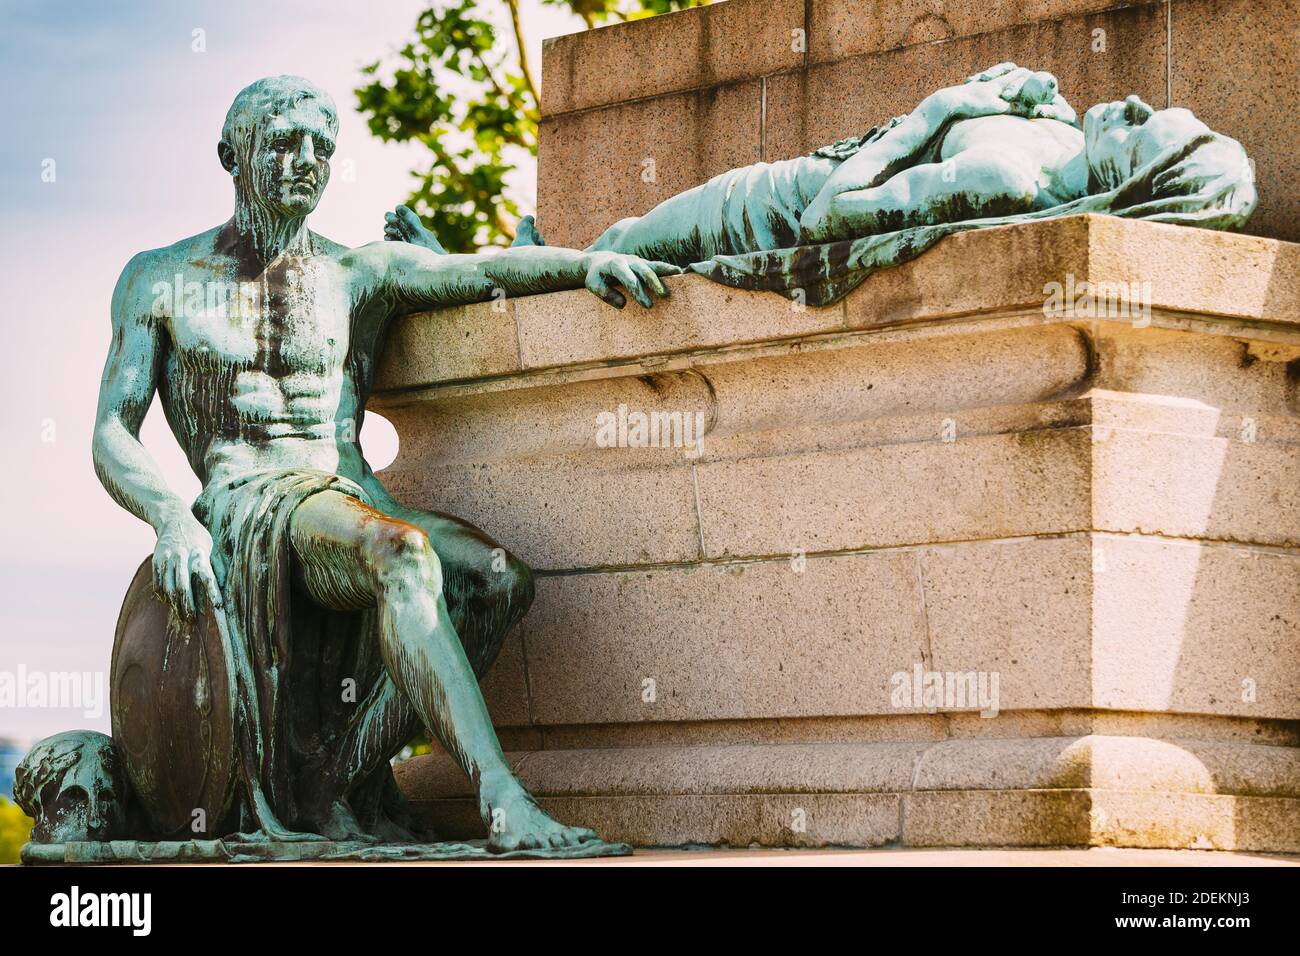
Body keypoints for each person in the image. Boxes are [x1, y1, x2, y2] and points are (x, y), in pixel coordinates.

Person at [91, 75, 678, 852]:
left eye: (323, 148)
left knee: (498, 578)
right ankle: (502, 798)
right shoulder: (159, 278)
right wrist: (169, 517)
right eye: (286, 142)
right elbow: (111, 431)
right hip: (246, 507)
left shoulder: (358, 271)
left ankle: (336, 782)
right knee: (402, 553)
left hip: (345, 496)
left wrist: (580, 267)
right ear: (233, 155)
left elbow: (482, 273)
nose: (307, 160)